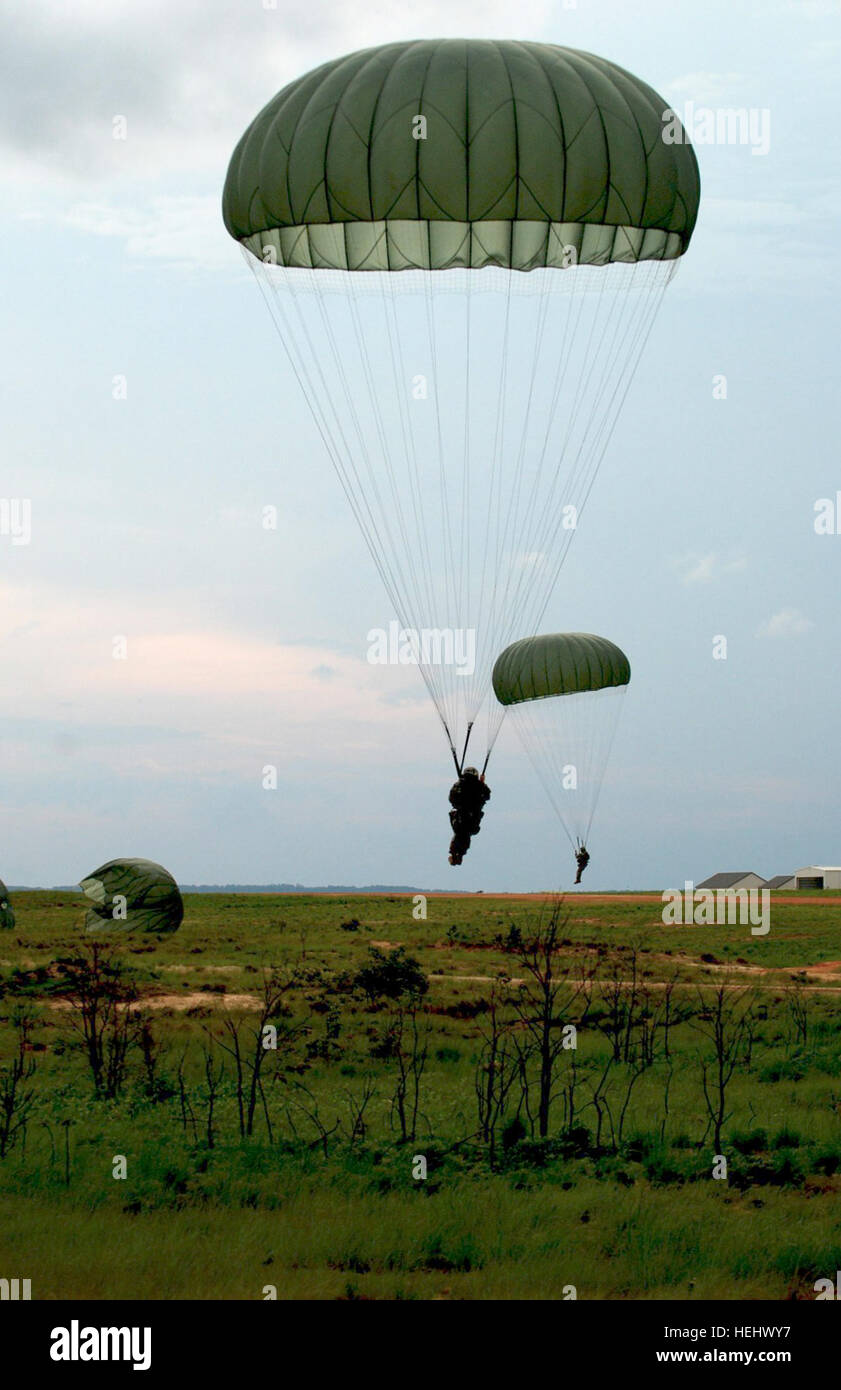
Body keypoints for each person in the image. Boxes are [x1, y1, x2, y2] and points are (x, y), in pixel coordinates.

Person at [447, 766, 491, 865]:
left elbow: (452, 798)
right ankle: (456, 857)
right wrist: (482, 783)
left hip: (466, 820)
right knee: (463, 833)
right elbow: (487, 795)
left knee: (463, 833)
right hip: (468, 820)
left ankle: (456, 857)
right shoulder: (479, 786)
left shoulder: (460, 785)